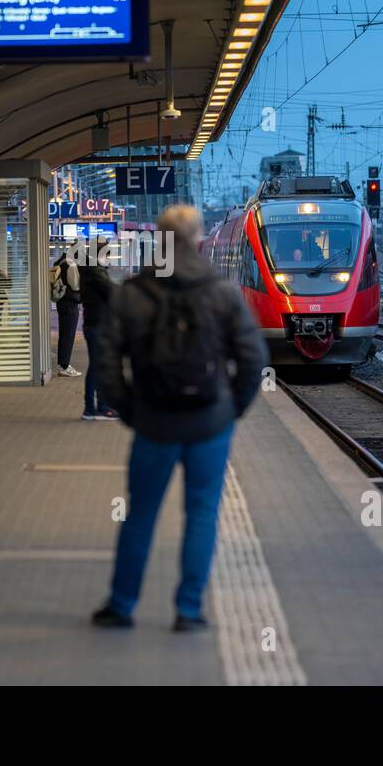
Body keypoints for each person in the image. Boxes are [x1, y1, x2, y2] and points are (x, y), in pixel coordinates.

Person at [92, 205, 267, 631]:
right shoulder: (222, 292)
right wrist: (231, 410)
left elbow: (106, 358)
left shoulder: (133, 293)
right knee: (202, 514)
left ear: (160, 237)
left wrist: (130, 409)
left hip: (154, 422)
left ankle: (122, 605)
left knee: (141, 515)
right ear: (200, 238)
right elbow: (253, 359)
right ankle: (188, 611)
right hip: (210, 423)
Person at [78, 239, 118, 422]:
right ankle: (99, 408)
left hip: (94, 322)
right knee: (98, 367)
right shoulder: (95, 271)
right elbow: (110, 291)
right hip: (98, 324)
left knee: (96, 366)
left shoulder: (91, 269)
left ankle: (95, 407)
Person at [51, 250, 82, 377]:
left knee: (64, 334)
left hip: (61, 302)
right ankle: (65, 366)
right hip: (70, 303)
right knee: (68, 335)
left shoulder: (59, 262)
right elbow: (75, 286)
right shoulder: (71, 265)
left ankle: (63, 364)